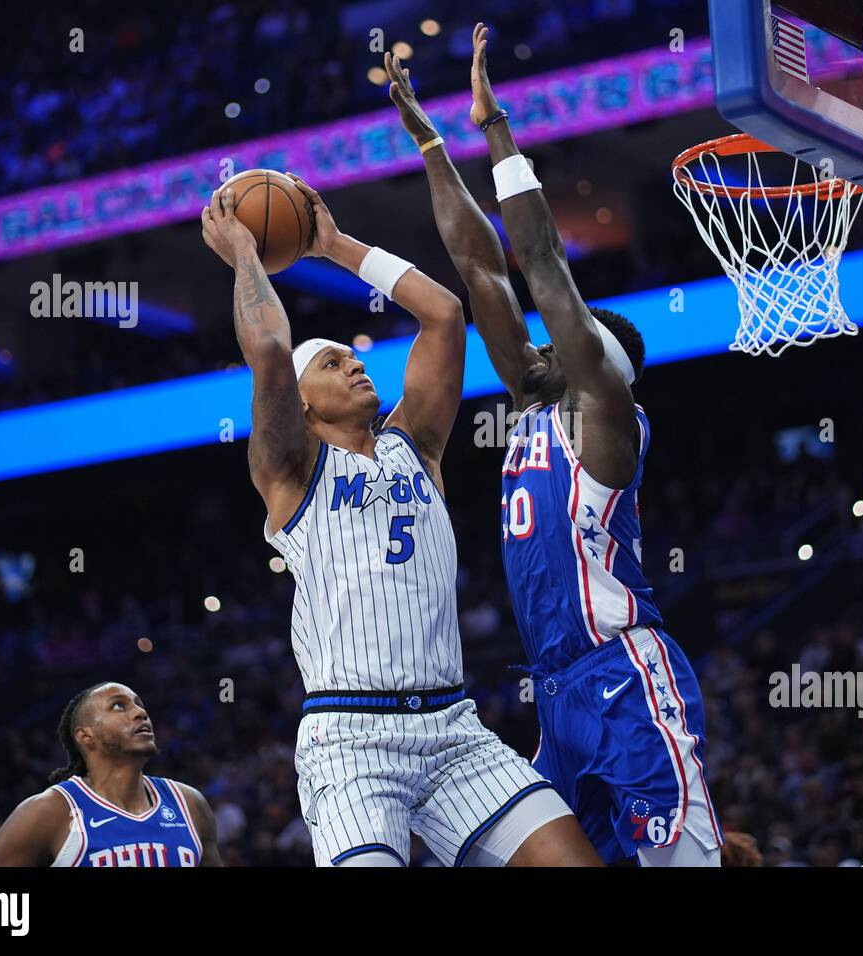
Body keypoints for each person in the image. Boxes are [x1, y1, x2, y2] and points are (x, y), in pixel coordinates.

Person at [381, 24, 721, 866]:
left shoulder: (605, 409)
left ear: (588, 356)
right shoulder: (537, 404)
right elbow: (481, 268)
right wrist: (431, 144)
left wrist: (497, 131)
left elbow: (537, 263)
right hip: (560, 690)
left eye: (556, 342)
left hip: (624, 674)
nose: (532, 348)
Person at [198, 179, 600, 867]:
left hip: (453, 729)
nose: (355, 361)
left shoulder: (416, 444)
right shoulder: (291, 470)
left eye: (352, 355)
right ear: (301, 403)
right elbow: (268, 352)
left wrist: (334, 246)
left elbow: (443, 313)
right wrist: (243, 254)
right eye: (332, 362)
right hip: (350, 741)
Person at [0, 682, 221, 867]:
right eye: (118, 706)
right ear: (86, 735)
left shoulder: (189, 803)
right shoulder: (51, 811)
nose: (140, 713)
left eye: (140, 705)